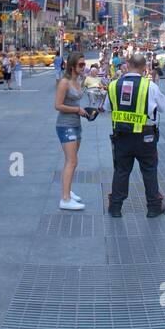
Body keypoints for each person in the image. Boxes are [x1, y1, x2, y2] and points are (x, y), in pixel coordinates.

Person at [108, 51, 163, 219]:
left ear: (127, 64)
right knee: (149, 171)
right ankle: (153, 207)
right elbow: (163, 107)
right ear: (144, 67)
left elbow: (108, 107)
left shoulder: (113, 85)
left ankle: (115, 207)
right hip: (145, 137)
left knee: (121, 171)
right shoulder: (150, 86)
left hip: (122, 137)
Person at [53, 52, 94, 211]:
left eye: (84, 64)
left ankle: (67, 190)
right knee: (72, 161)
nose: (84, 67)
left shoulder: (78, 81)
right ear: (72, 66)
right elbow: (57, 105)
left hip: (76, 124)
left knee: (71, 161)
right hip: (65, 125)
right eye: (81, 65)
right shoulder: (64, 82)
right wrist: (77, 110)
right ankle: (65, 199)